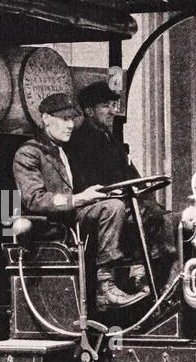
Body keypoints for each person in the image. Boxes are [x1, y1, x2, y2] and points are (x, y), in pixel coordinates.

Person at [12, 92, 148, 308]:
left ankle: (140, 274)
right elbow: (35, 199)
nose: (70, 125)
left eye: (72, 119)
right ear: (46, 119)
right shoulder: (29, 153)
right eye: (64, 119)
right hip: (56, 225)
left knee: (136, 209)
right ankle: (105, 286)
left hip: (75, 219)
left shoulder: (64, 150)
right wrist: (78, 199)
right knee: (113, 208)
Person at [68, 80, 177, 289]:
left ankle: (166, 274)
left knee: (170, 218)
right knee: (148, 213)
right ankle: (134, 274)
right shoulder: (79, 142)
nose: (111, 111)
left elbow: (131, 175)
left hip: (124, 202)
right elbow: (85, 184)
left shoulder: (112, 140)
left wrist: (143, 193)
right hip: (99, 206)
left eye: (113, 105)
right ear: (89, 111)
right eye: (105, 106)